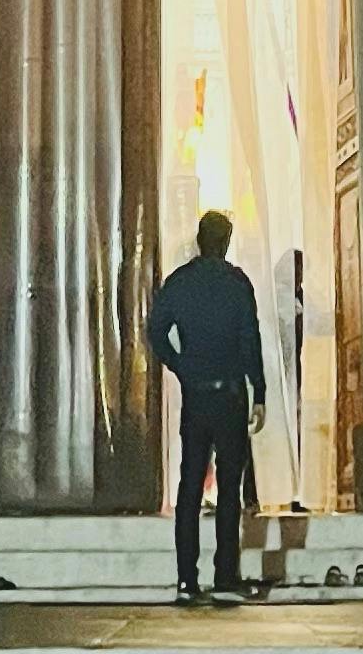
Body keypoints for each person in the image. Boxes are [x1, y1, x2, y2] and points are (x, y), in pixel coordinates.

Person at [149, 209, 265, 604]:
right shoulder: (237, 284)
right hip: (231, 396)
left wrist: (180, 364)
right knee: (229, 490)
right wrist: (260, 393)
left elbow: (155, 331)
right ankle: (225, 576)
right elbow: (251, 341)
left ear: (199, 240)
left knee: (189, 487)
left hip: (196, 395)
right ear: (226, 241)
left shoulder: (180, 283)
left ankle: (186, 579)